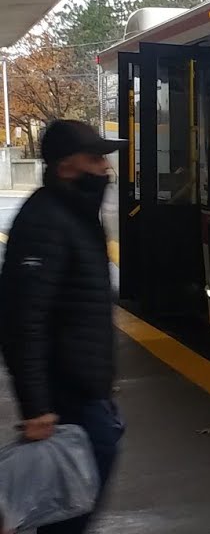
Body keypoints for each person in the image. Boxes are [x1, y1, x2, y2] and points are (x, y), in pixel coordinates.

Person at [0, 120, 126, 533]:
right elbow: (24, 319)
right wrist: (36, 407)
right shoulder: (45, 221)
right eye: (95, 158)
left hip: (87, 395)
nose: (106, 168)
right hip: (65, 400)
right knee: (67, 511)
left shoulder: (75, 215)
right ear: (66, 167)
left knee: (72, 506)